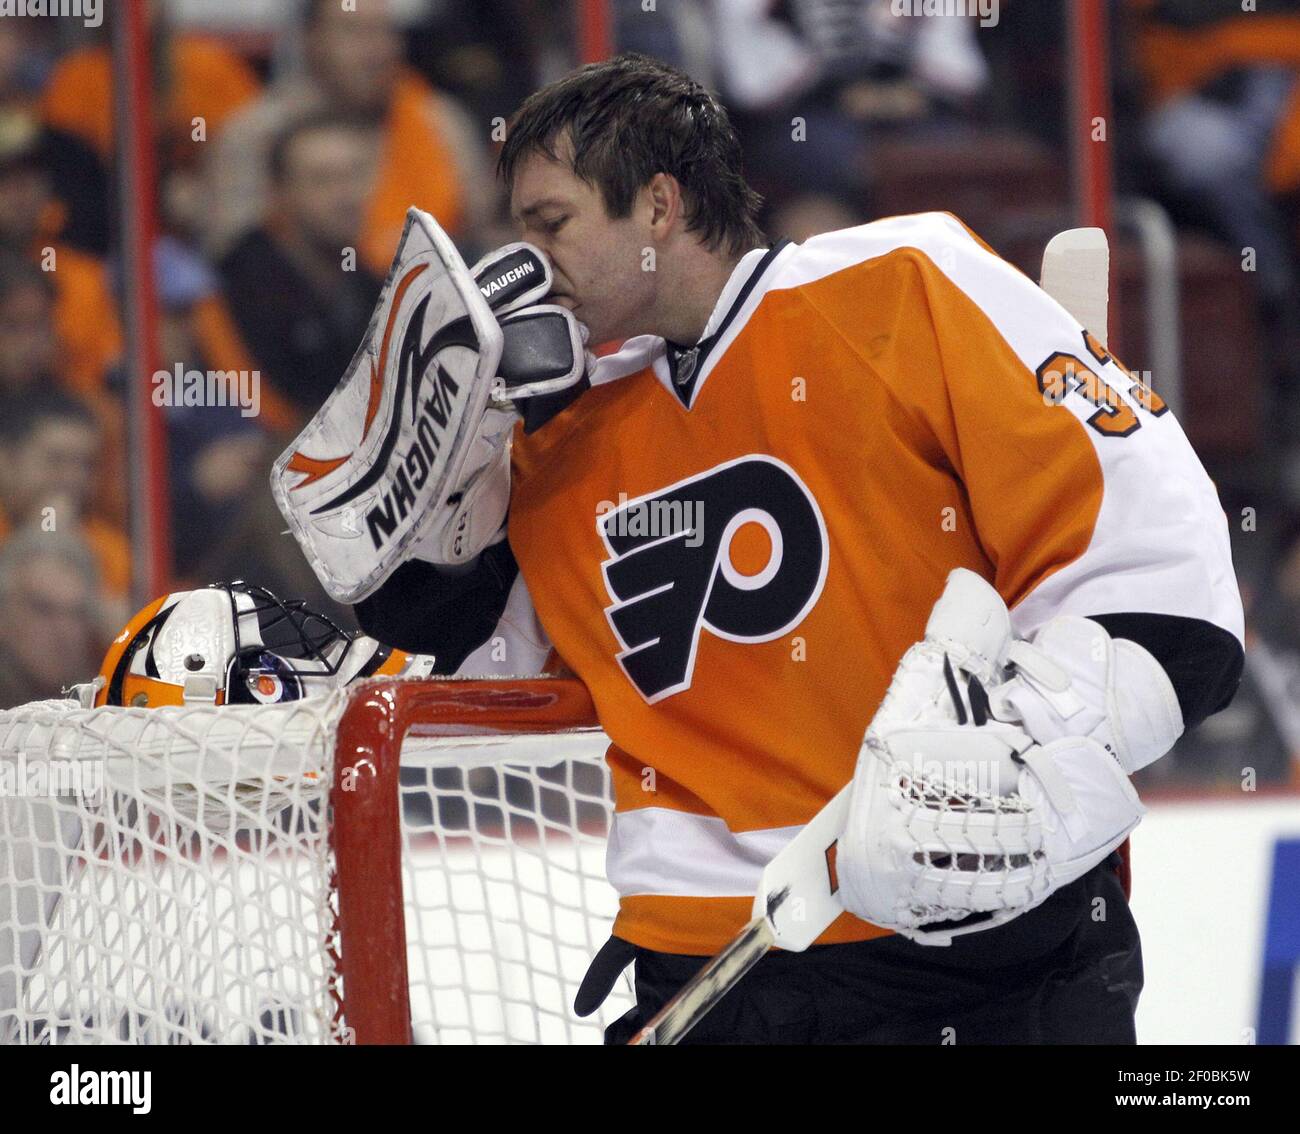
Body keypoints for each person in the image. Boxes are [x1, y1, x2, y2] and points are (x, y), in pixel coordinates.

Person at [295, 53, 1244, 1044]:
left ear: (657, 207)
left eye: (552, 224)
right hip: (704, 969)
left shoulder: (904, 286)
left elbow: (1164, 569)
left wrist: (1027, 747)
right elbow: (460, 654)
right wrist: (441, 490)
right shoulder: (552, 430)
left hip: (982, 952)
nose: (529, 265)